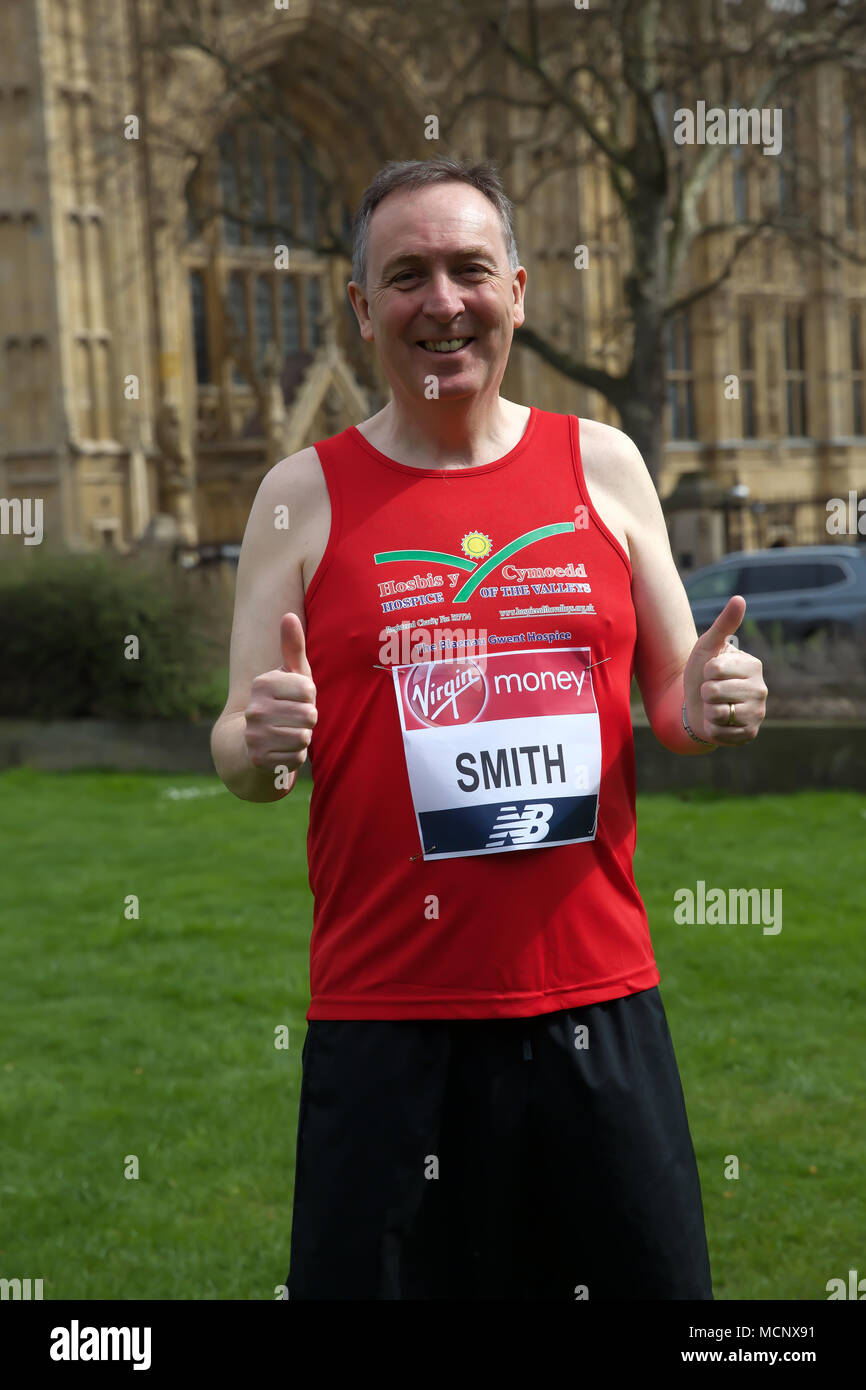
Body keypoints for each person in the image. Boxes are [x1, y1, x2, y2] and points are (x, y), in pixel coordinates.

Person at [210, 157, 768, 1300]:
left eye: (469, 269)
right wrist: (260, 740)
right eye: (404, 275)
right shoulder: (297, 493)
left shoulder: (602, 465)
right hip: (387, 1017)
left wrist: (713, 699)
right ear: (361, 309)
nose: (441, 301)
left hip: (593, 1001)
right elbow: (241, 752)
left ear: (516, 288)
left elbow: (672, 702)